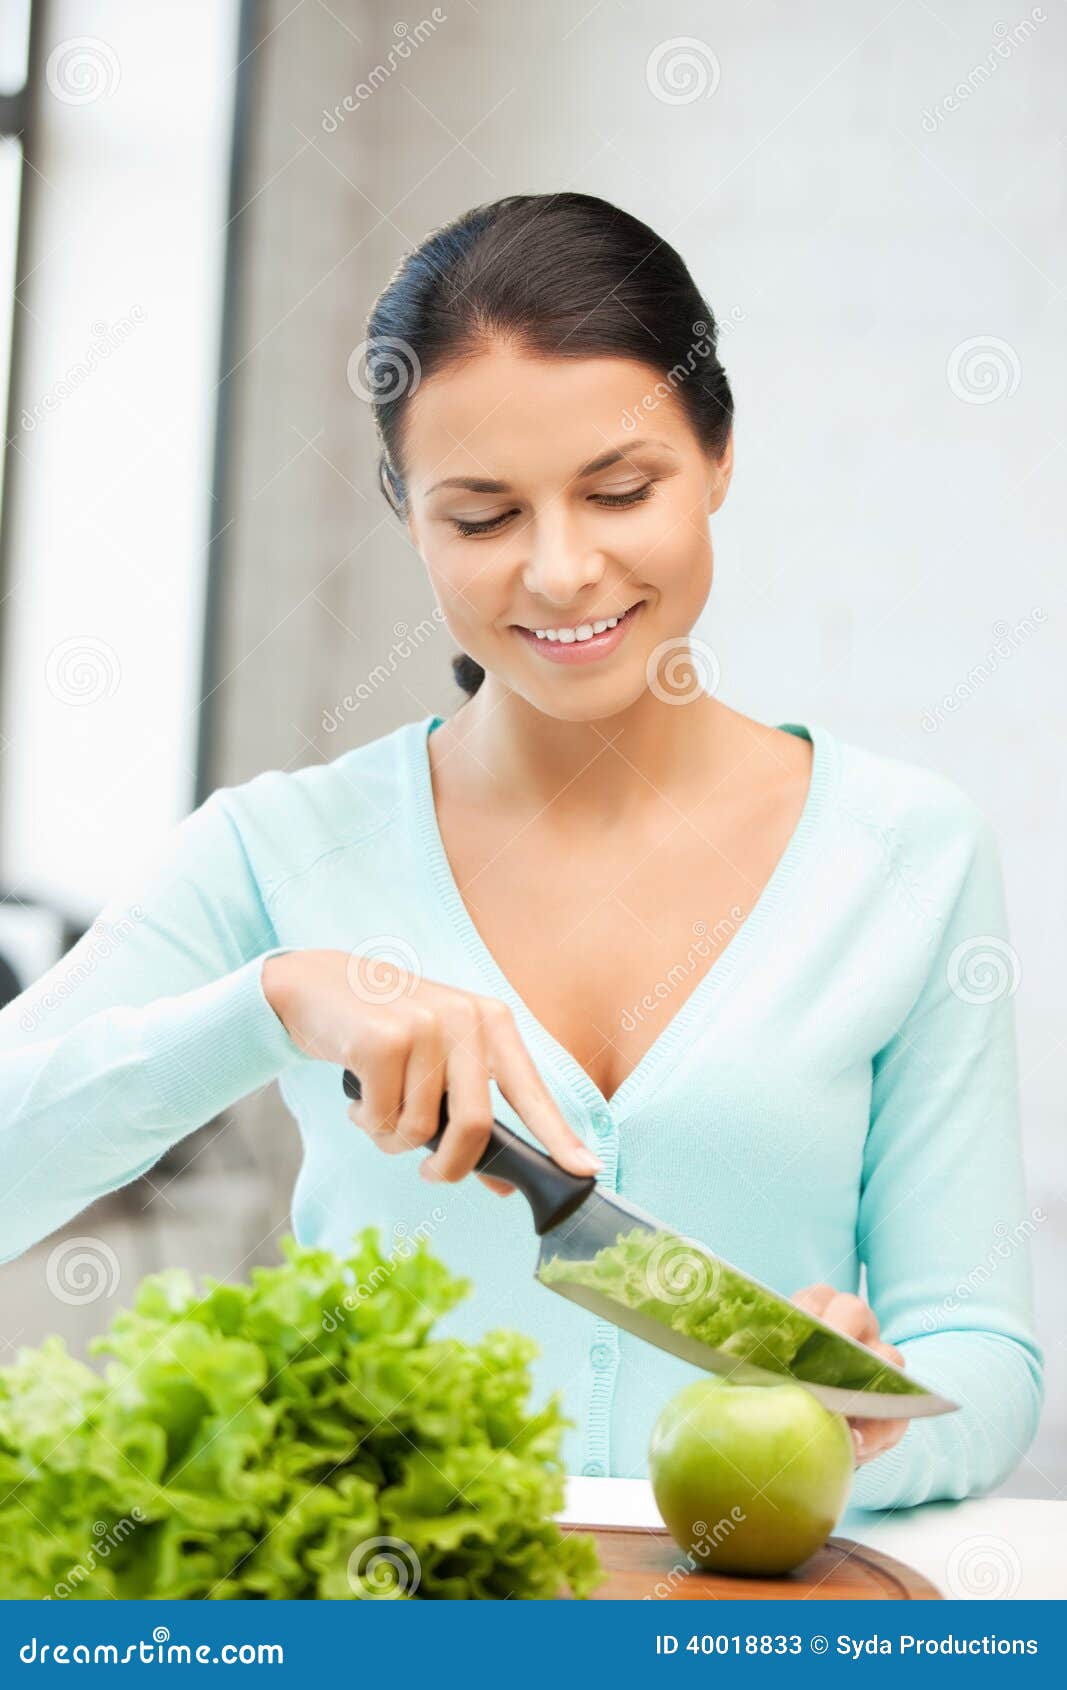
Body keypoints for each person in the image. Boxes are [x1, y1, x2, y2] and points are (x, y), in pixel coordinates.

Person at [0, 193, 1042, 1505]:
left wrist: (878, 1431)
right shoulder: (276, 847)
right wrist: (270, 1003)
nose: (560, 570)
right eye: (483, 518)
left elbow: (982, 1350)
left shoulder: (909, 852)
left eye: (620, 490)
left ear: (719, 458)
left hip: (734, 1626)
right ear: (408, 512)